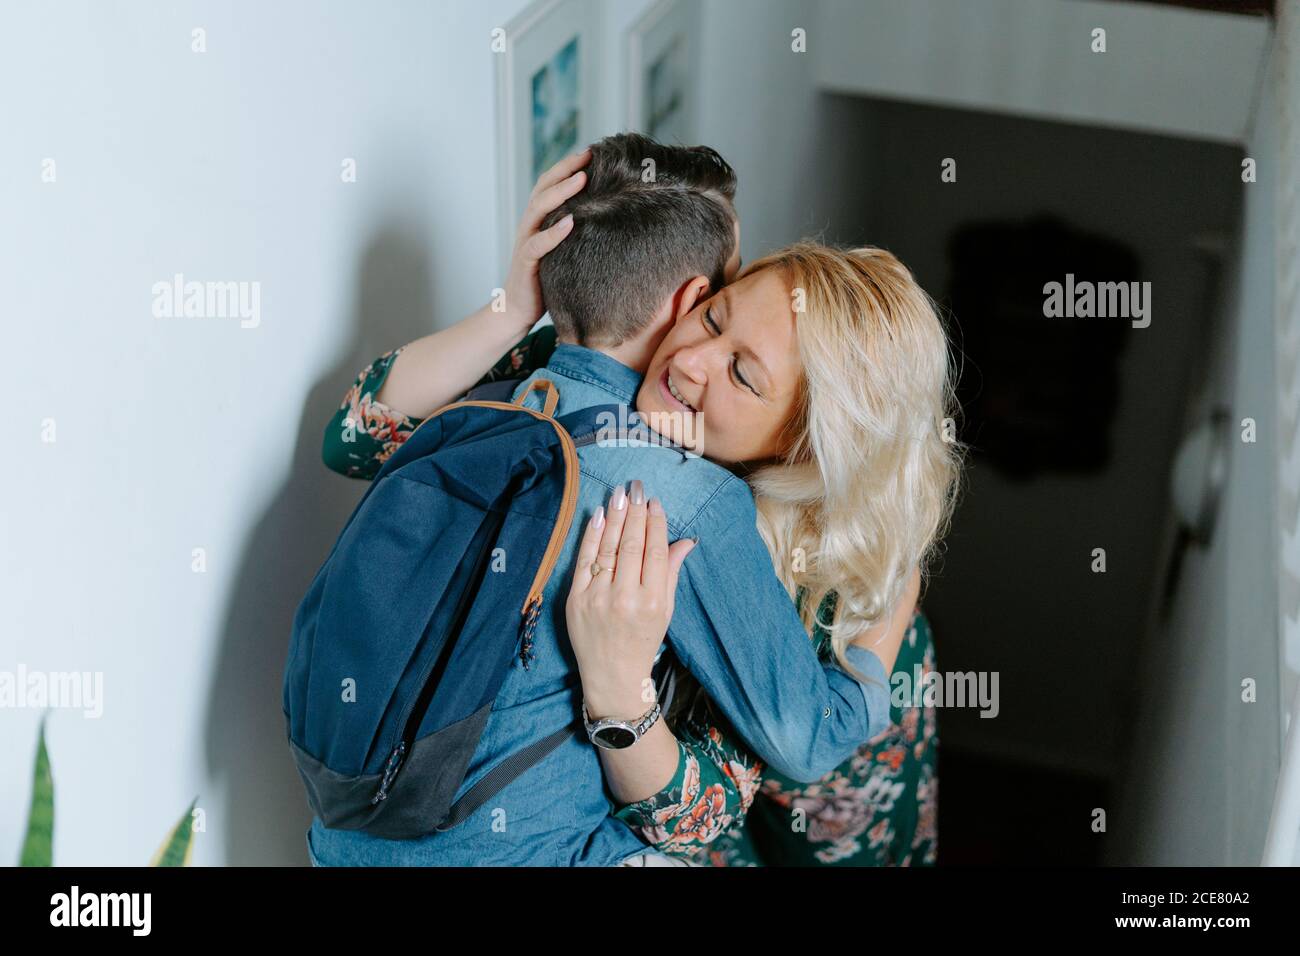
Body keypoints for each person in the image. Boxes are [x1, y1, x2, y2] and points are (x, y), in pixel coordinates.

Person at [307, 134, 917, 867]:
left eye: (744, 378)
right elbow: (354, 439)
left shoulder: (774, 556)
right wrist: (512, 308)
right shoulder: (599, 413)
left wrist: (620, 694)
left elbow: (711, 813)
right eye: (715, 314)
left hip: (341, 830)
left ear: (802, 445)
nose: (690, 361)